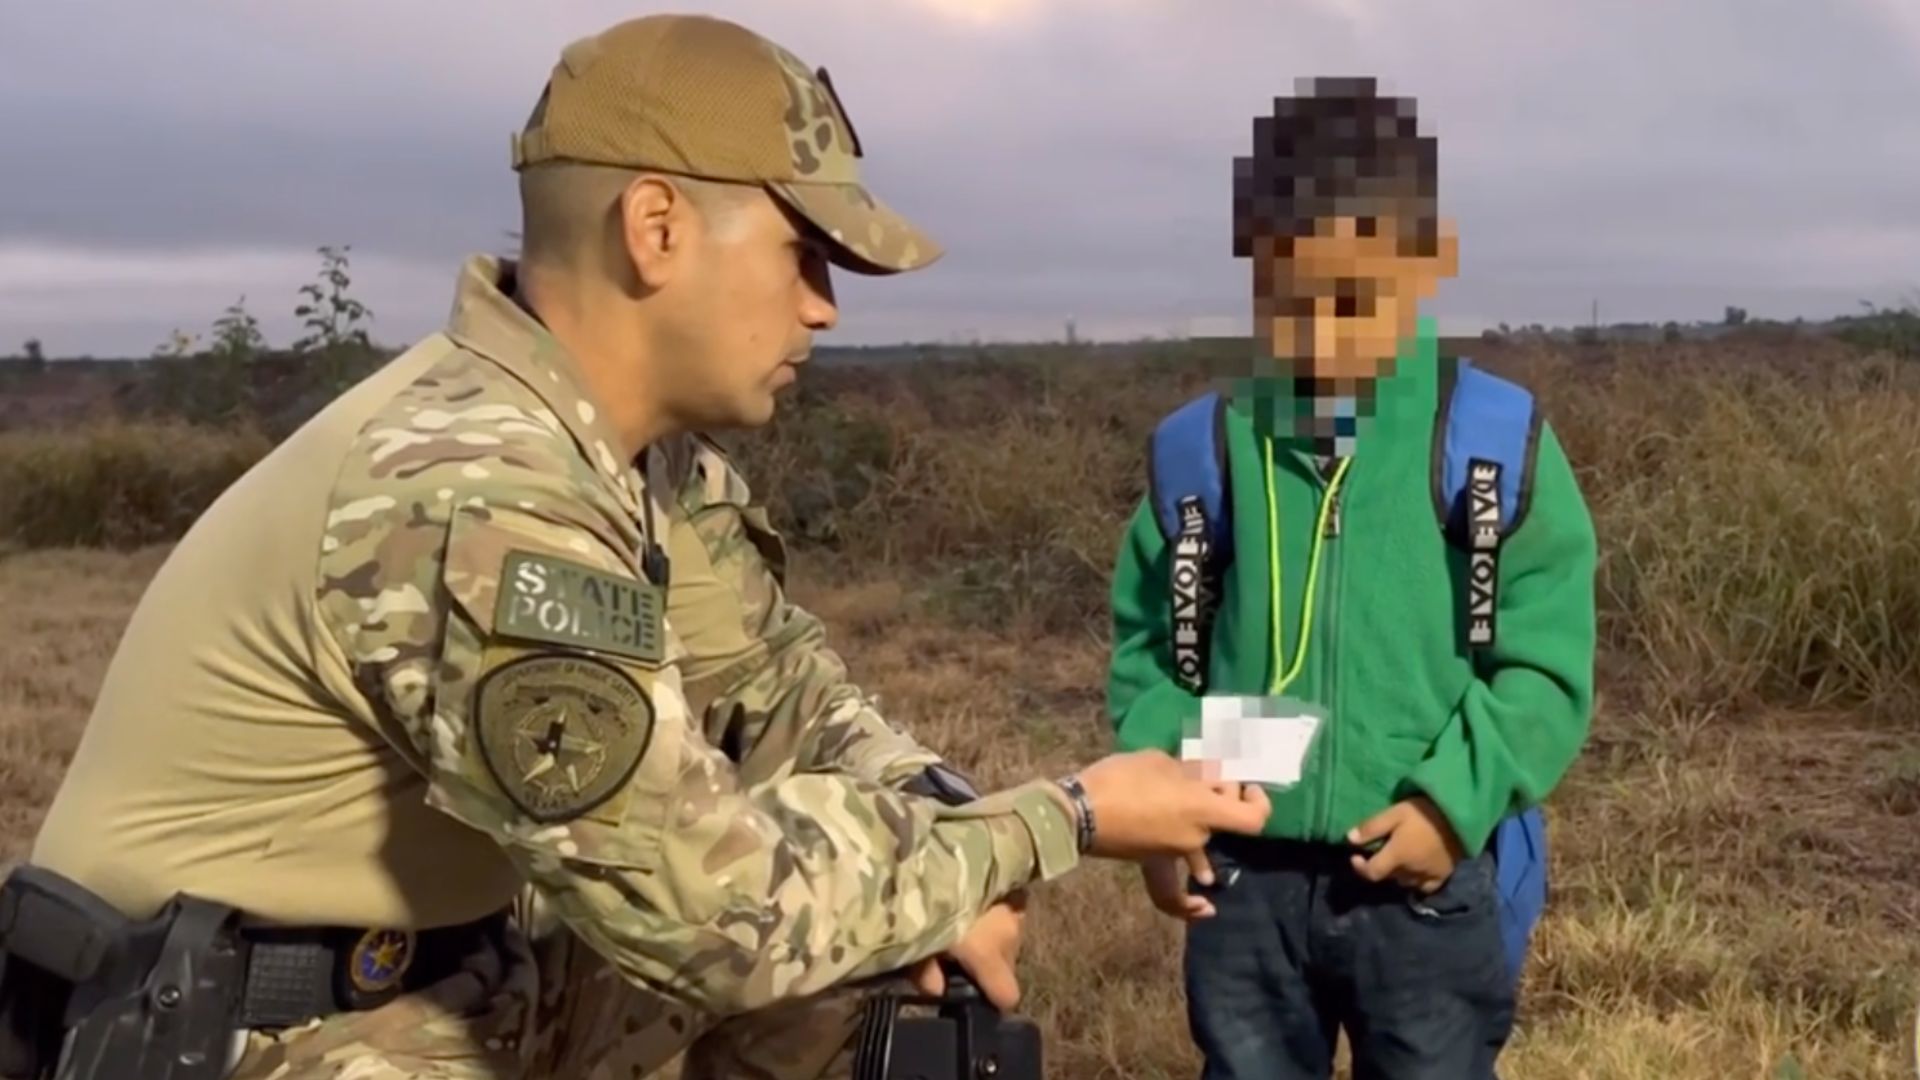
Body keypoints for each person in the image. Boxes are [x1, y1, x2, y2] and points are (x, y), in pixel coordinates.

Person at [11, 15, 1271, 1080]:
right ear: (656, 228)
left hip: (449, 981)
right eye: (804, 253)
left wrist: (945, 822)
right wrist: (1060, 818)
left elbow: (778, 693)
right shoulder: (480, 489)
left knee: (888, 986)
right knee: (816, 937)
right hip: (250, 1031)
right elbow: (712, 911)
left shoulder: (639, 461)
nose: (825, 307)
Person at [1104, 77, 1597, 1079]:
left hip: (1423, 880)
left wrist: (1453, 808)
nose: (1319, 342)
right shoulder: (1203, 451)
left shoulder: (1491, 446)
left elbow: (1544, 669)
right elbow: (1150, 648)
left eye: (1353, 303)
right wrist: (1165, 802)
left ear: (1430, 259)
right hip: (1241, 882)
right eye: (1284, 305)